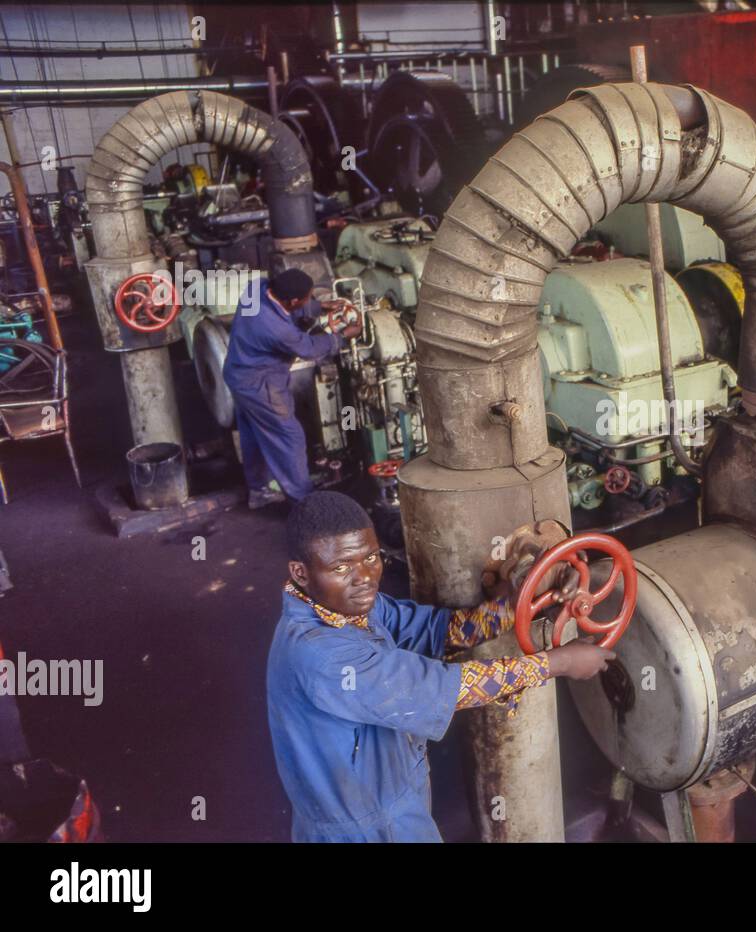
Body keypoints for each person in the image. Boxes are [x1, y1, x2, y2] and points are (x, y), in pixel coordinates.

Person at [266, 491, 614, 842]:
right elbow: (445, 687)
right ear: (300, 572)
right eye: (341, 567)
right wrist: (558, 662)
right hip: (366, 826)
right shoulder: (320, 655)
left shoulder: (350, 607)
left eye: (371, 557)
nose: (365, 578)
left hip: (396, 792)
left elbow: (445, 631)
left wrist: (526, 590)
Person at [223, 268, 360, 507]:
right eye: (308, 298)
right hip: (261, 384)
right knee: (289, 437)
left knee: (255, 434)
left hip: (238, 373)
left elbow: (287, 309)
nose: (310, 300)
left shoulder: (258, 288)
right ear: (293, 301)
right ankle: (304, 503)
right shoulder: (277, 330)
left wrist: (317, 308)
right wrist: (344, 337)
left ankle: (258, 491)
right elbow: (308, 348)